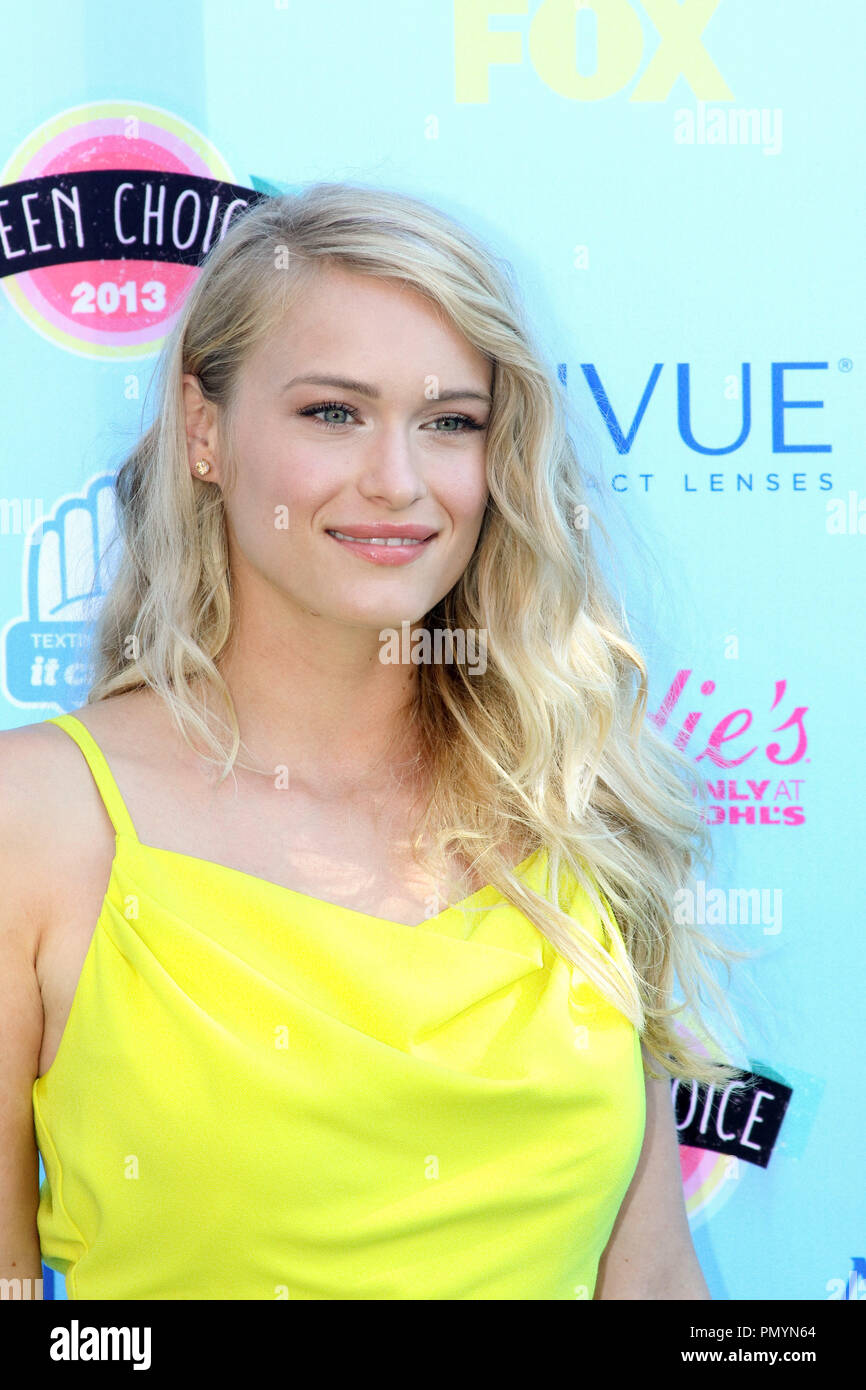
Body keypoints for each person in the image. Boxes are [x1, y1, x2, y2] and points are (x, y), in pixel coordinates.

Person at [0, 182, 742, 1301]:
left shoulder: (569, 803)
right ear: (205, 431)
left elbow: (647, 1281)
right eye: (332, 413)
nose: (398, 481)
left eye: (449, 422)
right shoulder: (41, 823)